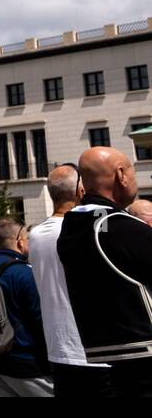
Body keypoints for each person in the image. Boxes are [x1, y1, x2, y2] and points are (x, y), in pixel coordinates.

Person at [58, 146, 152, 395]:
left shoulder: (72, 229)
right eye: (131, 170)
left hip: (109, 356)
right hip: (145, 357)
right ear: (121, 174)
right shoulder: (121, 228)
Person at [29, 164, 108, 397]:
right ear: (80, 192)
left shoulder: (35, 235)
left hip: (58, 349)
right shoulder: (89, 230)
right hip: (95, 350)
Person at [0, 219, 53, 396]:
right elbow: (40, 318)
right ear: (20, 241)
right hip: (28, 363)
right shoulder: (24, 273)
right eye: (28, 239)